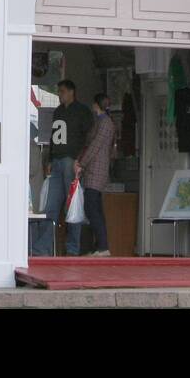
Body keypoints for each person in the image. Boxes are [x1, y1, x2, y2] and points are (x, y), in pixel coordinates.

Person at [32, 79, 92, 256]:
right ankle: (42, 248)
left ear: (72, 92)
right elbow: (53, 137)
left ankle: (72, 248)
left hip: (71, 161)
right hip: (57, 161)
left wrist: (80, 160)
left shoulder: (82, 111)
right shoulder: (58, 111)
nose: (60, 95)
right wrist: (49, 160)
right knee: (51, 207)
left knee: (71, 206)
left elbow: (88, 138)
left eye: (63, 91)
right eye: (59, 91)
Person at [76, 93, 115, 257]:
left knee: (92, 207)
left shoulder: (104, 123)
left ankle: (103, 246)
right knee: (94, 207)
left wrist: (81, 163)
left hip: (96, 169)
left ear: (96, 105)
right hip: (94, 169)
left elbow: (95, 145)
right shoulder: (102, 122)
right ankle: (99, 246)